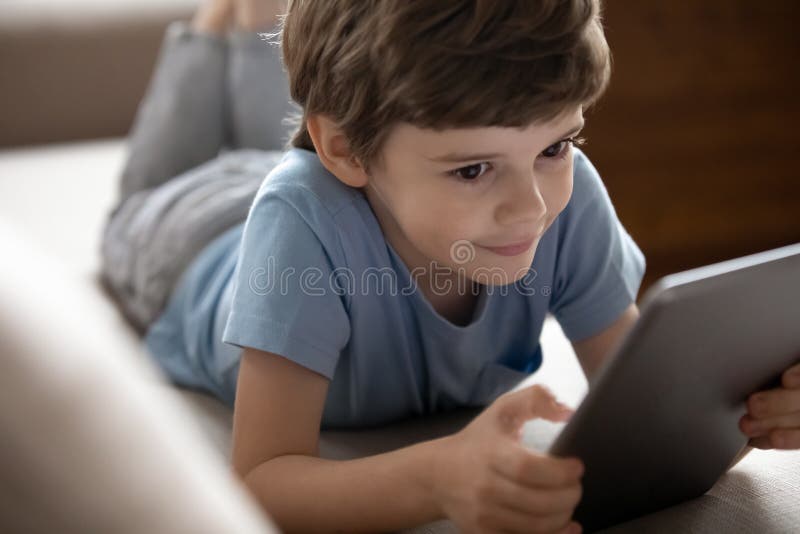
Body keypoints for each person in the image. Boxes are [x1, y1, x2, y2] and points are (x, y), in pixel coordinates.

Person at [98, 1, 800, 532]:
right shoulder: (298, 222)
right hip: (195, 238)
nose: (530, 209)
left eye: (555, 147)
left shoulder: (566, 197)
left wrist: (742, 411)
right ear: (343, 151)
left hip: (334, 172)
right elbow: (260, 481)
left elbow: (653, 414)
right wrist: (434, 479)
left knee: (289, 138)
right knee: (162, 186)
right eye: (472, 169)